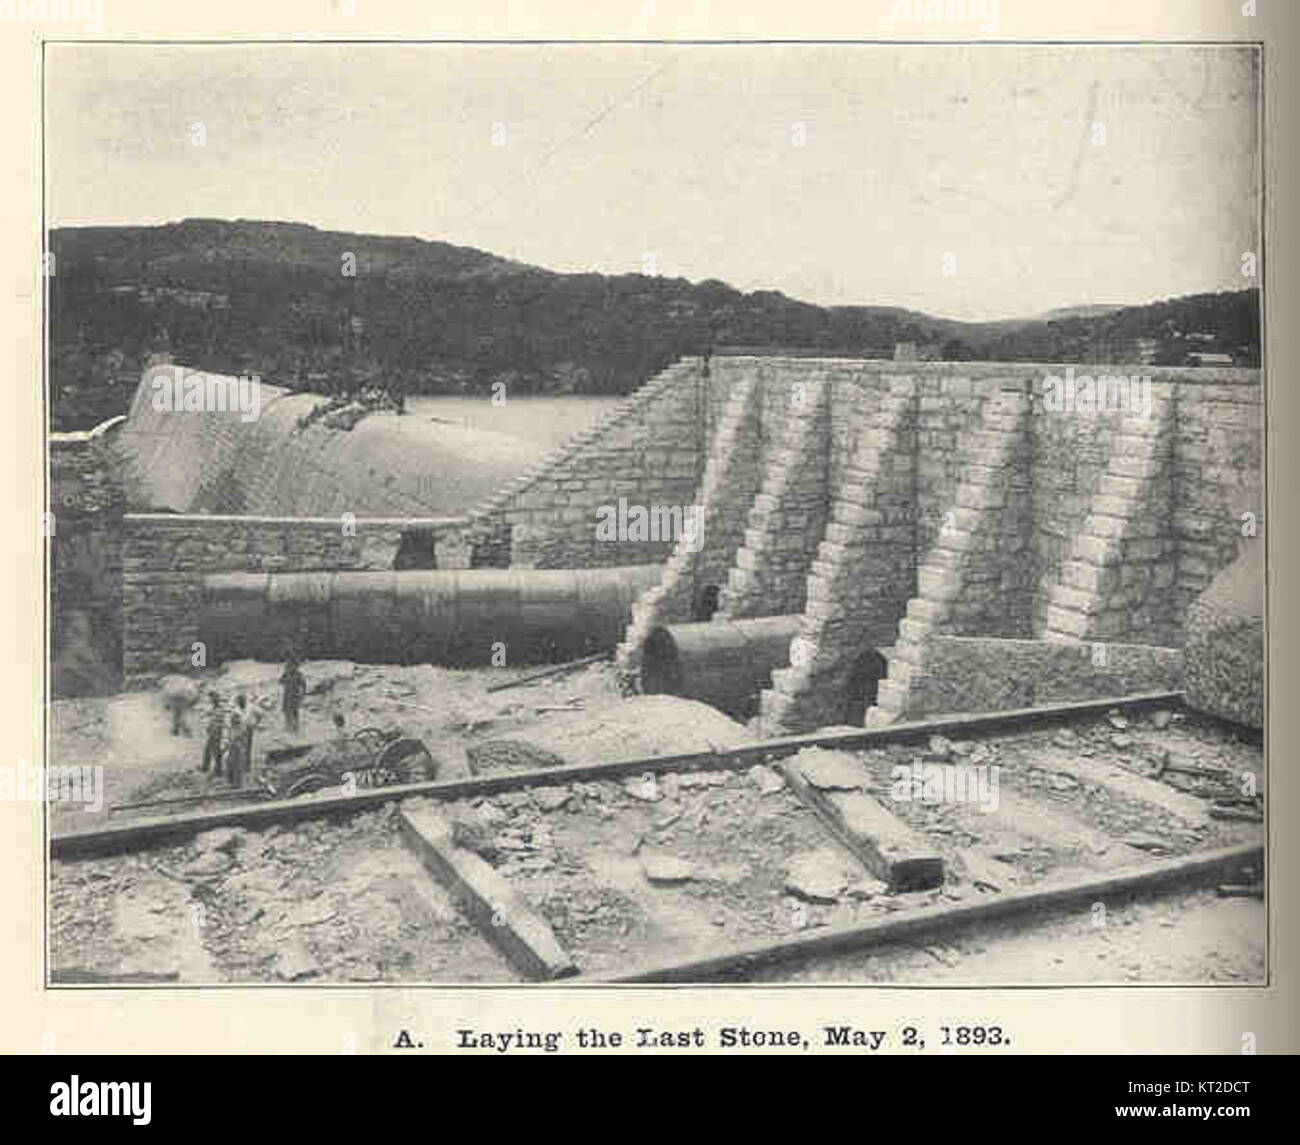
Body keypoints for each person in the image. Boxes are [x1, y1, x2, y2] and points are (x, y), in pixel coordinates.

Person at [226, 695, 249, 788]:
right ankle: (235, 783)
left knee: (238, 762)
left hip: (239, 739)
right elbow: (236, 727)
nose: (245, 703)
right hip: (236, 740)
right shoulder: (237, 713)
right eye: (243, 701)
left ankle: (236, 782)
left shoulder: (241, 712)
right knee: (236, 762)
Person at [200, 693, 226, 776]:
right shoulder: (214, 709)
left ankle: (218, 770)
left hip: (216, 733)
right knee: (208, 750)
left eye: (213, 700)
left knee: (216, 752)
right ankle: (205, 767)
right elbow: (209, 718)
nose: (212, 701)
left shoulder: (220, 709)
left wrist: (212, 727)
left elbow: (219, 722)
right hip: (212, 732)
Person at [280, 655, 306, 734]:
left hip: (295, 695)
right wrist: (285, 675)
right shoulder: (286, 674)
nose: (290, 668)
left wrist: (302, 695)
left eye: (292, 666)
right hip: (287, 695)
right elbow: (280, 682)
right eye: (288, 666)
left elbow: (304, 685)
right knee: (287, 711)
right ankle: (288, 727)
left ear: (296, 666)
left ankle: (296, 727)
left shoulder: (299, 674)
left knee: (295, 712)